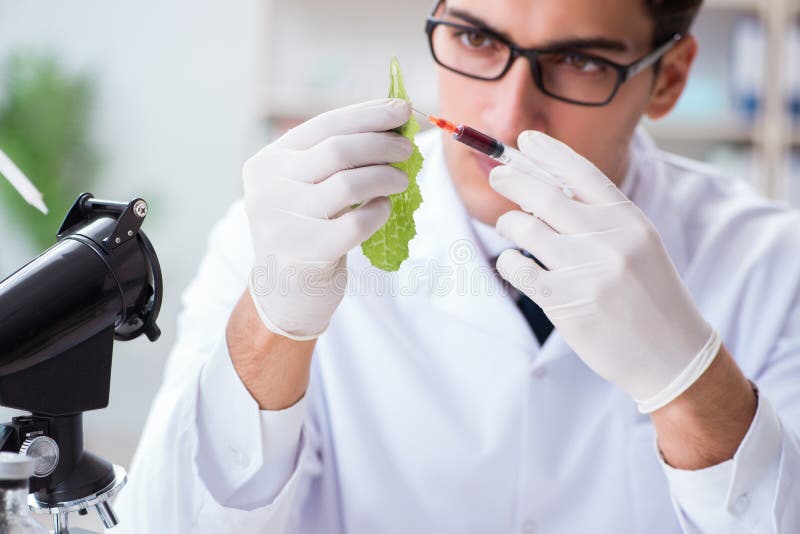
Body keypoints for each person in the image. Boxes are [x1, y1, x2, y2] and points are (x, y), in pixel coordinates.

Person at [114, 0, 800, 532]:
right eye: (477, 39)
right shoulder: (285, 233)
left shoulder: (772, 264)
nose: (508, 111)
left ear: (668, 79)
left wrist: (690, 382)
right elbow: (171, 522)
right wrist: (272, 323)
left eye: (580, 61)